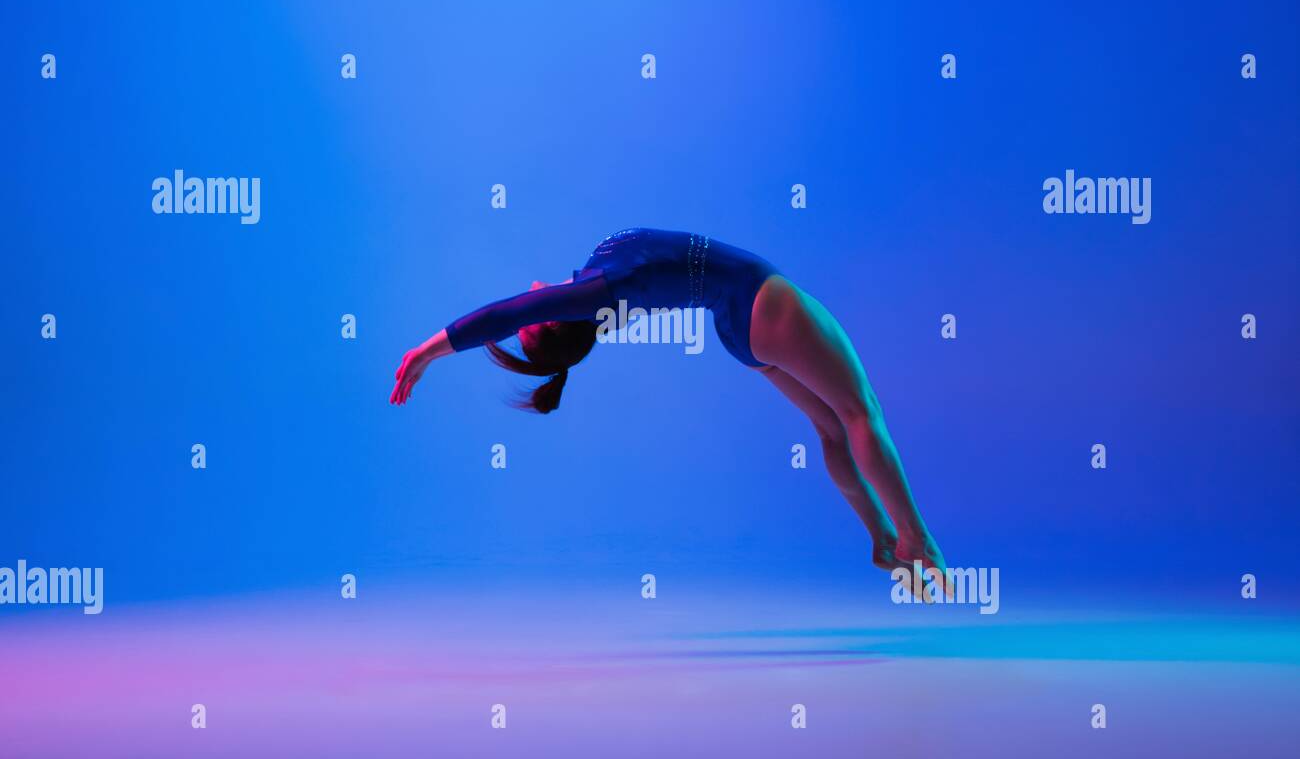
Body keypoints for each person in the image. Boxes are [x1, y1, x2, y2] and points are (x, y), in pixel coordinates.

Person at [392, 228, 948, 581]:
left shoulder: (592, 278)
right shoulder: (594, 292)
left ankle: (880, 538)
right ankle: (915, 536)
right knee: (859, 413)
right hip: (757, 303)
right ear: (558, 316)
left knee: (831, 430)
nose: (530, 304)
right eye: (535, 321)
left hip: (739, 328)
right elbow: (505, 313)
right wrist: (430, 349)